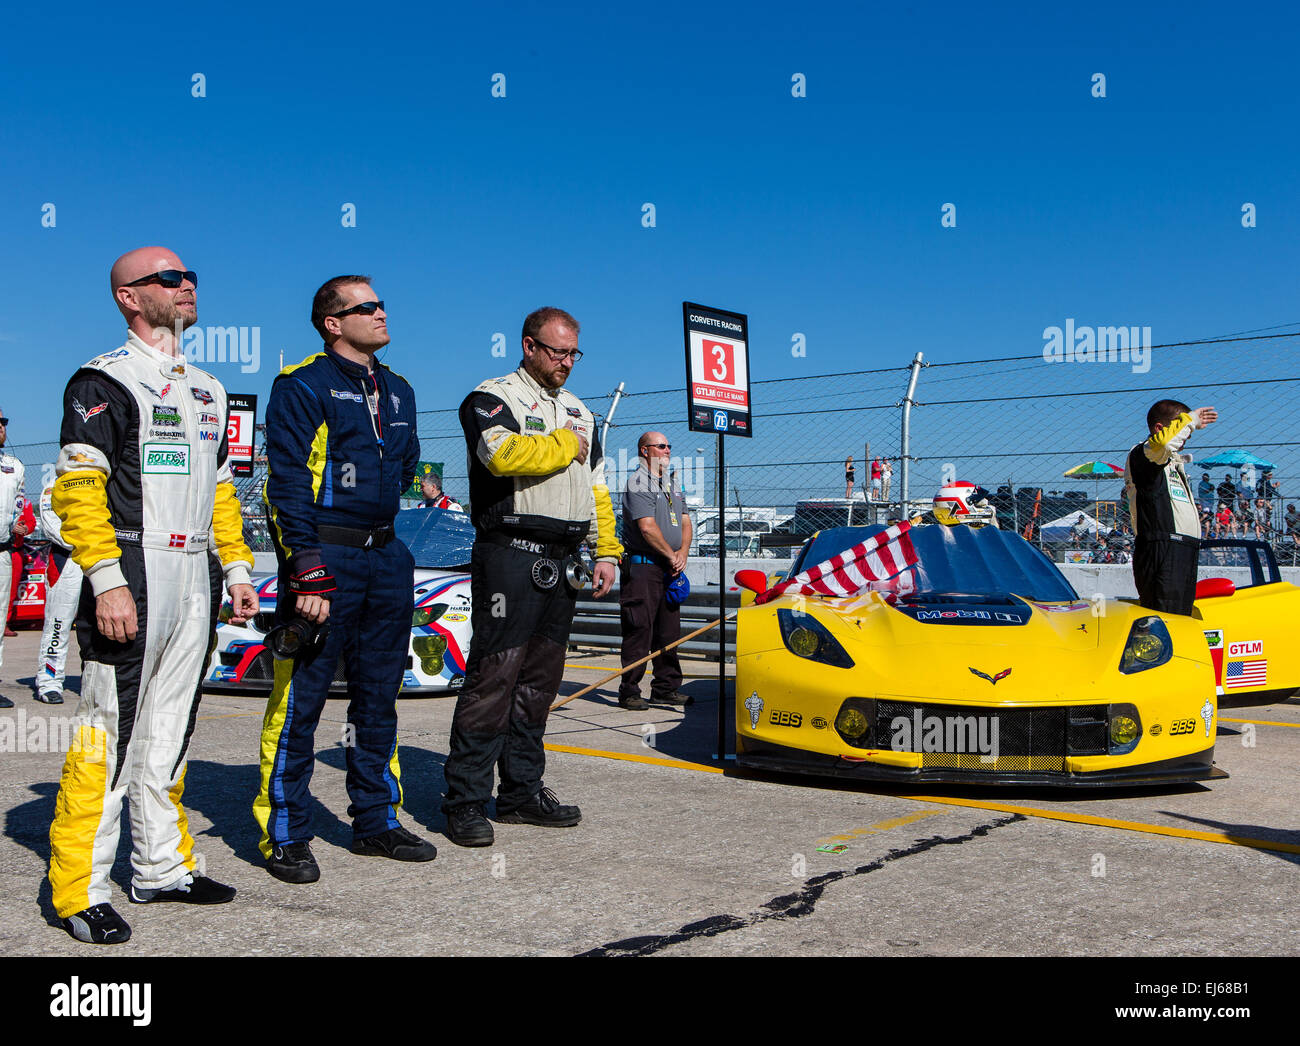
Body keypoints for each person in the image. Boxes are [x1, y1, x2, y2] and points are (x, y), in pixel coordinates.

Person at [46, 246, 259, 945]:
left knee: (170, 731)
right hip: (132, 563)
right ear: (130, 298)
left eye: (191, 274)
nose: (186, 284)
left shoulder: (208, 387)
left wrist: (235, 570)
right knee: (109, 733)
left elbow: (223, 491)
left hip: (195, 572)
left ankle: (162, 867)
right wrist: (105, 581)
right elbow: (77, 492)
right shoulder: (100, 380)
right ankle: (79, 887)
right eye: (169, 278)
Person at [254, 275, 436, 884]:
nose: (382, 313)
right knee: (299, 700)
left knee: (379, 697)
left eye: (383, 303)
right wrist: (306, 567)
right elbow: (285, 483)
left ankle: (377, 822)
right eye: (367, 307)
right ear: (333, 323)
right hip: (324, 559)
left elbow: (407, 468)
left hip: (386, 558)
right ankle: (286, 832)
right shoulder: (302, 384)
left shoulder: (402, 389)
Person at [441, 306, 622, 847]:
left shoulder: (580, 410)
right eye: (557, 351)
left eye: (573, 353)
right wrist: (565, 444)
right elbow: (503, 455)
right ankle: (465, 800)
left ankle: (521, 792)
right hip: (509, 552)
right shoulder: (492, 397)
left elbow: (597, 488)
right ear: (528, 346)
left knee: (539, 682)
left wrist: (607, 551)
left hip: (565, 558)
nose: (566, 362)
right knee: (494, 677)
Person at [618, 431, 692, 711]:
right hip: (644, 566)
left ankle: (665, 688)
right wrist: (670, 554)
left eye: (669, 446)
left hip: (669, 566)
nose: (667, 450)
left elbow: (685, 522)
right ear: (645, 450)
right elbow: (646, 527)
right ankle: (630, 691)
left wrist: (681, 553)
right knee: (640, 630)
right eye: (661, 446)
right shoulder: (638, 482)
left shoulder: (672, 483)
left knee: (669, 633)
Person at [1123, 398, 1217, 615]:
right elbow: (1165, 443)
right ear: (1159, 428)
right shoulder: (1144, 453)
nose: (1185, 439)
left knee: (1180, 618)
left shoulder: (1170, 460)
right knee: (1164, 617)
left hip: (1183, 547)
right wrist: (1191, 420)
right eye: (1181, 429)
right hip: (1161, 547)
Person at [34, 482, 82, 704]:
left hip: (102, 557)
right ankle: (49, 682)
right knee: (58, 625)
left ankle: (94, 680)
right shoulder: (53, 485)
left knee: (98, 626)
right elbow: (51, 525)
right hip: (67, 559)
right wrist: (85, 542)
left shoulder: (106, 477)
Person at [0, 409, 31, 706]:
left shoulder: (14, 466)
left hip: (2, 552)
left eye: (3, 422)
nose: (1, 427)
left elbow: (18, 506)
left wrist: (16, 525)